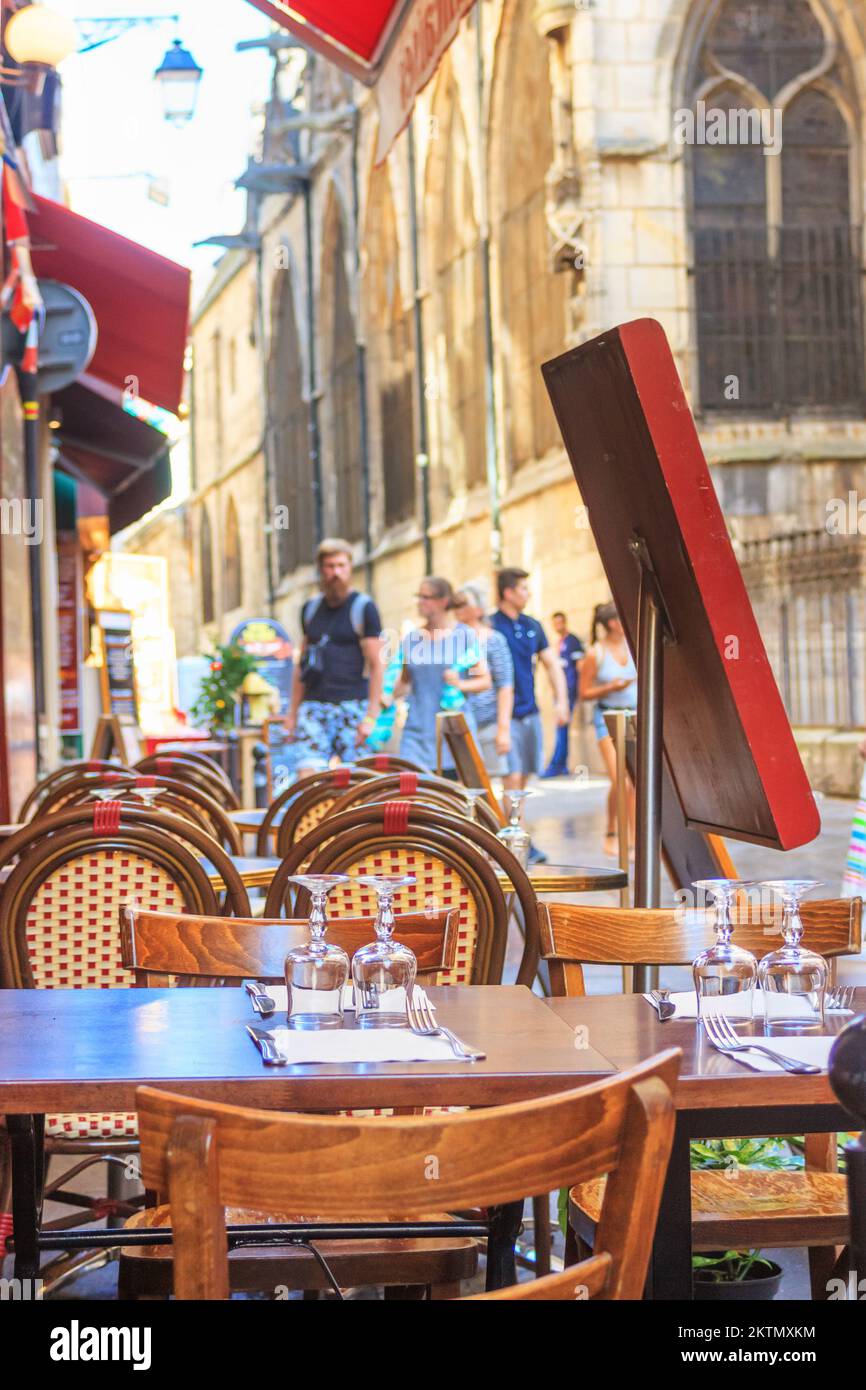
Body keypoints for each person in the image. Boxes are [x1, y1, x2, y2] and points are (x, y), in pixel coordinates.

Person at [286, 538, 384, 771]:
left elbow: (377, 665)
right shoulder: (310, 609)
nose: (336, 573)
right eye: (330, 567)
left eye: (341, 566)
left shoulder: (363, 607)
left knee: (358, 779)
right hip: (314, 705)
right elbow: (301, 664)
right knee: (307, 775)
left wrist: (370, 717)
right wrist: (291, 714)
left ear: (350, 568)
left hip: (351, 704)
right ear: (321, 570)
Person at [391, 576, 490, 774]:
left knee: (454, 797)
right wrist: (384, 699)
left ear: (443, 601)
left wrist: (460, 684)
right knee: (413, 793)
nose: (420, 602)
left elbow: (484, 681)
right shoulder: (412, 639)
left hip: (453, 731)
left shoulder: (464, 636)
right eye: (419, 596)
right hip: (417, 731)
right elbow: (404, 682)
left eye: (426, 597)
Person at [580, 601, 637, 856]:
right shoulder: (596, 653)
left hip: (636, 717)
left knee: (635, 781)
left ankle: (635, 838)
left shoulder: (635, 645)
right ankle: (612, 831)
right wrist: (611, 688)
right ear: (614, 623)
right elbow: (584, 692)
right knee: (619, 779)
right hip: (607, 718)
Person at [453, 583, 514, 775]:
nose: (458, 609)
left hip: (488, 723)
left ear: (478, 609)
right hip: (458, 724)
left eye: (464, 603)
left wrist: (503, 730)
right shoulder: (449, 639)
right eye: (456, 604)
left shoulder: (493, 639)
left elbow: (505, 685)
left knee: (489, 783)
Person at [541, 611, 585, 778]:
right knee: (561, 728)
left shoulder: (573, 641)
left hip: (570, 693)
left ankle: (557, 764)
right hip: (560, 694)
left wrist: (579, 692)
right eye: (555, 623)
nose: (557, 626)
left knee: (562, 727)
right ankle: (560, 764)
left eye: (559, 623)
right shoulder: (557, 643)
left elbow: (580, 666)